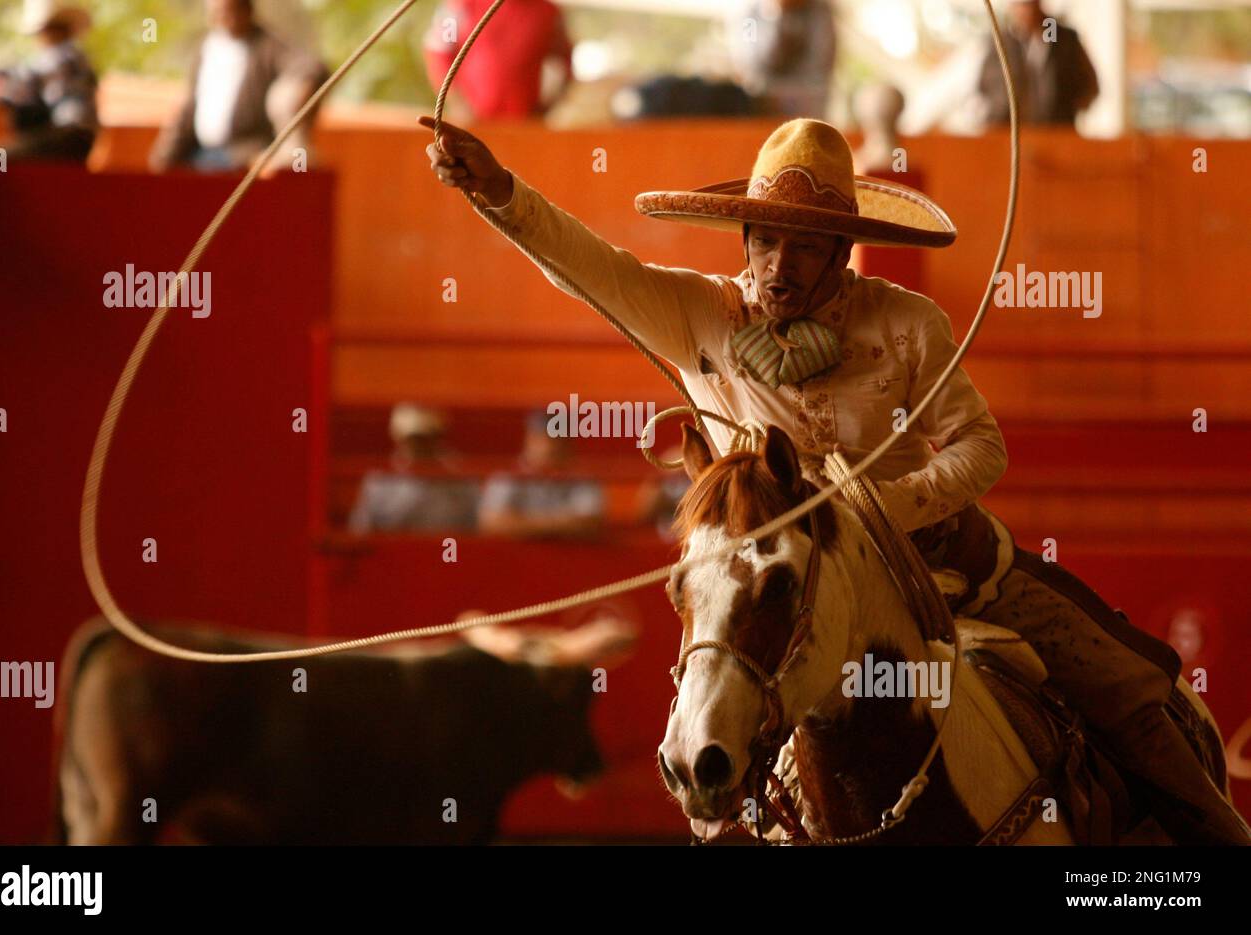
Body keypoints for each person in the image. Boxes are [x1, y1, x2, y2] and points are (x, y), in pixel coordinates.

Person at [415, 112, 1251, 844]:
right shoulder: (698, 316)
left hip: (947, 573)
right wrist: (497, 190)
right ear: (743, 239)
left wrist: (871, 507)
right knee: (723, 725)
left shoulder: (905, 324)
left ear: (841, 251)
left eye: (806, 245)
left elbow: (980, 448)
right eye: (767, 240)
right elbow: (590, 266)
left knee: (1131, 694)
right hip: (778, 603)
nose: (779, 265)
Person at [150, 0, 327, 173]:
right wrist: (166, 155)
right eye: (217, 11)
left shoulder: (268, 46)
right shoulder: (206, 47)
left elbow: (311, 67)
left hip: (244, 158)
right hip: (201, 156)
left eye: (230, 10)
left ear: (247, 9)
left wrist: (288, 95)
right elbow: (191, 105)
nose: (224, 17)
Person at [0, 0, 98, 162]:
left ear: (46, 31)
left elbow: (19, 89)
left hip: (67, 136)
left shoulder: (58, 57)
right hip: (77, 138)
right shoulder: (74, 57)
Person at [422, 0, 571, 121]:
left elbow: (564, 61)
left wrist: (548, 106)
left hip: (523, 123)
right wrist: (458, 103)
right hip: (471, 122)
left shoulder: (548, 13)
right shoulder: (459, 6)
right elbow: (439, 52)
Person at [347, 403, 479, 533]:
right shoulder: (380, 480)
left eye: (426, 438)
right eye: (413, 439)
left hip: (446, 553)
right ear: (398, 438)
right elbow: (360, 533)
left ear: (439, 437)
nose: (420, 446)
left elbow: (475, 533)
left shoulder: (461, 480)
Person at [477, 411, 605, 540]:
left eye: (558, 439)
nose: (548, 446)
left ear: (568, 444)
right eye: (540, 438)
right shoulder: (507, 476)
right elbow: (493, 523)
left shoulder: (583, 479)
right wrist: (561, 524)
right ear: (529, 440)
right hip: (516, 557)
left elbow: (589, 524)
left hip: (567, 557)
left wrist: (522, 523)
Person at [977, 0, 1098, 128]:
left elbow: (1089, 85)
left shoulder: (1063, 39)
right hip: (1010, 130)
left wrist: (1070, 107)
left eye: (1030, 5)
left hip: (1057, 129)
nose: (1026, 11)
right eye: (1021, 6)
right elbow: (984, 85)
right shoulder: (1002, 40)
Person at [724, 0, 836, 119]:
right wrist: (778, 14)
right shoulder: (749, 16)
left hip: (808, 108)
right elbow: (751, 64)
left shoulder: (819, 11)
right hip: (761, 108)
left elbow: (820, 66)